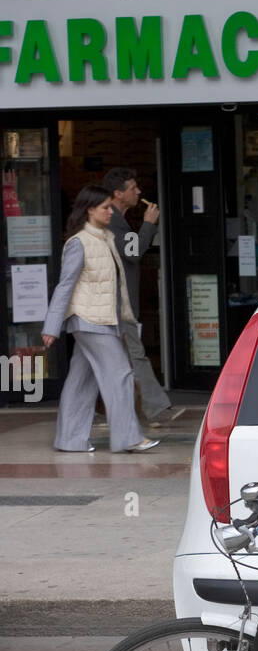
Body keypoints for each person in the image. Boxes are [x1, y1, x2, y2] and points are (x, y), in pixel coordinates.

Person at [41, 186, 159, 454]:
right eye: (105, 207)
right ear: (89, 210)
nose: (110, 211)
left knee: (81, 382)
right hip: (89, 319)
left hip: (103, 320)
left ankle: (70, 440)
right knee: (120, 374)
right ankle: (129, 437)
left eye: (110, 206)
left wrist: (122, 321)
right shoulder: (79, 243)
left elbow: (116, 287)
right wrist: (52, 327)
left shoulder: (105, 238)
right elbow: (65, 285)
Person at [102, 167, 183, 427]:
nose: (139, 192)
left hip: (117, 302)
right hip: (117, 303)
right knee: (135, 356)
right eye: (133, 188)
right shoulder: (112, 220)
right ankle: (156, 407)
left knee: (111, 359)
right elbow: (134, 252)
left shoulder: (117, 219)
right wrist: (149, 224)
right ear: (118, 193)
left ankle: (102, 409)